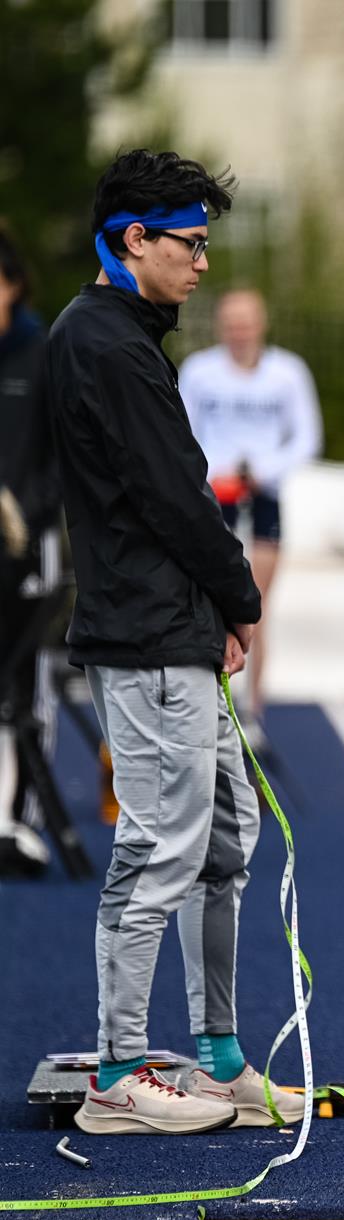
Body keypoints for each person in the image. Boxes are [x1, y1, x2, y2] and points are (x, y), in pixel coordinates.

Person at [45, 149, 307, 1133]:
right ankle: (116, 1078)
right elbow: (173, 501)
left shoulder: (122, 339)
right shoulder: (107, 346)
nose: (202, 264)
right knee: (157, 848)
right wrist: (240, 598)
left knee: (222, 845)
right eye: (188, 246)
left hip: (173, 629)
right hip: (147, 637)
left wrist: (213, 613)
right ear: (132, 241)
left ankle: (218, 1060)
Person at [178, 287, 323, 731]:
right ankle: (209, 707)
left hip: (264, 493)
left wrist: (262, 470)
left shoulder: (288, 373)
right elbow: (182, 432)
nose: (240, 333)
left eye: (247, 323)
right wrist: (216, 472)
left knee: (257, 605)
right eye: (231, 324)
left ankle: (253, 712)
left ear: (261, 324)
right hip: (214, 495)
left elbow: (306, 438)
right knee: (213, 602)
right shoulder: (200, 372)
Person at [0, 221, 59, 876]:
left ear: (13, 285)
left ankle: (21, 820)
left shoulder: (41, 352)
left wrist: (26, 513)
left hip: (26, 547)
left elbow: (63, 457)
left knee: (24, 682)